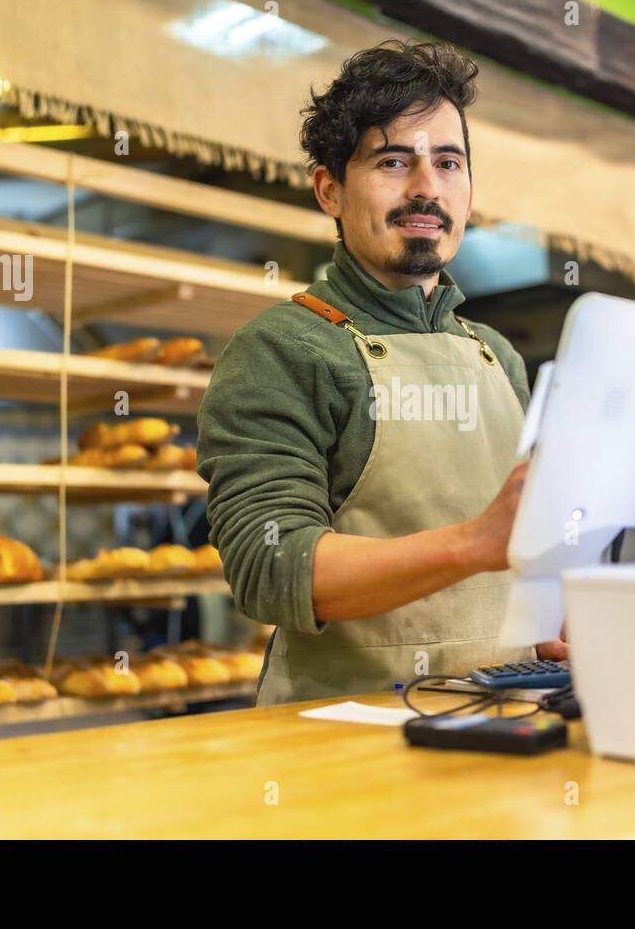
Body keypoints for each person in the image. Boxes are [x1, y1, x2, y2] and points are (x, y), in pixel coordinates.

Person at [198, 40, 566, 705]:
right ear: (330, 189)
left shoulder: (496, 356)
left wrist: (538, 627)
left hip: (505, 717)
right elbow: (270, 566)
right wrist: (472, 545)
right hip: (342, 742)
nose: (426, 187)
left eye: (447, 163)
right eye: (394, 161)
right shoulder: (282, 350)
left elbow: (512, 559)